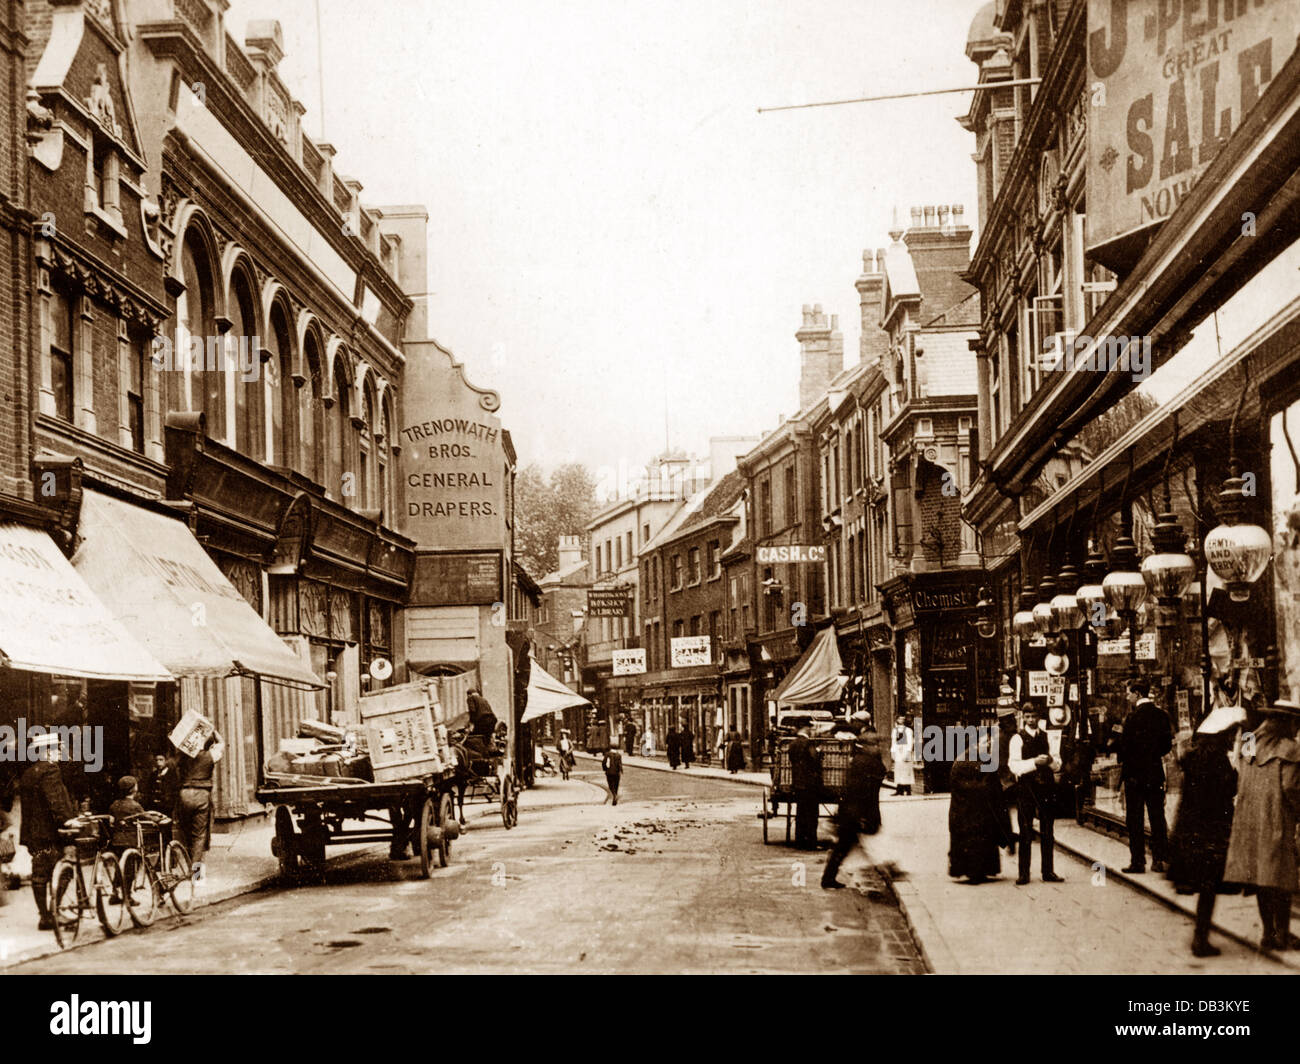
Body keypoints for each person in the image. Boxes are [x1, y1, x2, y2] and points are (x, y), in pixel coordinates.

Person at [1167, 704, 1246, 957]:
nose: (1234, 738)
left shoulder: (1195, 755)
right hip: (1210, 830)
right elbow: (1226, 791)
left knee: (1205, 885)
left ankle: (1200, 936)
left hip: (1191, 829)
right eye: (1231, 733)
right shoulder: (1216, 760)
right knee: (1209, 885)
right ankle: (1200, 939)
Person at [1223, 698, 1300, 952]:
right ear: (1287, 723)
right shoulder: (1289, 749)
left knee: (1261, 878)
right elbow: (1291, 788)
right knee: (1281, 878)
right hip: (1277, 820)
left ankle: (1268, 933)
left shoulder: (1249, 744)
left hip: (1250, 821)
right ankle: (1282, 935)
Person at [19, 732, 77, 930]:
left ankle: (45, 916)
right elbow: (56, 801)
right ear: (47, 751)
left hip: (33, 834)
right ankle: (54, 911)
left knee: (39, 875)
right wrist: (69, 821)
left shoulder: (29, 773)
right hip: (50, 833)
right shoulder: (51, 770)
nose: (60, 752)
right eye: (57, 748)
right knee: (65, 871)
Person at [1119, 678, 1173, 874]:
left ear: (1138, 694)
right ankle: (1159, 859)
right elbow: (1166, 745)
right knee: (1157, 817)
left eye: (1129, 693)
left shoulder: (1131, 718)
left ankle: (1138, 861)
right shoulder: (1162, 715)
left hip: (1134, 775)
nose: (1127, 696)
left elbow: (1124, 748)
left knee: (1135, 820)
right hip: (1154, 773)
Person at [822, 730, 886, 888]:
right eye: (875, 744)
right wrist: (863, 816)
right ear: (867, 746)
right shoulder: (866, 762)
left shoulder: (860, 760)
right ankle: (828, 879)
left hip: (851, 811)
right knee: (843, 846)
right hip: (854, 812)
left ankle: (829, 877)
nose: (878, 747)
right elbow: (868, 787)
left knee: (845, 846)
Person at [1009, 704, 1064, 885]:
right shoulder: (1017, 739)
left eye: (1033, 716)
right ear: (1023, 717)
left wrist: (1050, 761)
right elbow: (1014, 766)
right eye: (1027, 717)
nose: (1031, 720)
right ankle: (1024, 873)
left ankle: (1048, 871)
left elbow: (1058, 763)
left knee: (1048, 830)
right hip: (1027, 788)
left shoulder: (1048, 737)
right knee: (1025, 830)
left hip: (1046, 787)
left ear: (1038, 717)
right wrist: (1034, 762)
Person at [947, 732, 1003, 884]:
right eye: (986, 743)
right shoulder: (963, 762)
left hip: (979, 812)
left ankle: (981, 871)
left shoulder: (984, 760)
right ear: (975, 745)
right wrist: (986, 786)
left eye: (989, 743)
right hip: (965, 813)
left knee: (981, 841)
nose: (989, 746)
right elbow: (966, 786)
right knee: (972, 841)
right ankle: (973, 872)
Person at [174, 727, 225, 876]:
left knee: (186, 833)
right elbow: (221, 742)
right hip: (201, 795)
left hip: (184, 794)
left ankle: (189, 865)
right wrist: (213, 729)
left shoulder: (182, 755)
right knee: (199, 835)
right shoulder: (210, 755)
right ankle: (196, 874)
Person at [789, 722, 822, 850]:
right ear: (805, 728)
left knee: (801, 812)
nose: (811, 730)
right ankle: (811, 842)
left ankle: (799, 840)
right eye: (810, 727)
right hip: (810, 783)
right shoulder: (808, 743)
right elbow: (814, 759)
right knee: (812, 813)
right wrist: (819, 753)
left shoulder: (793, 744)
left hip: (798, 782)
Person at [995, 701, 1019, 855]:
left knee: (1006, 812)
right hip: (1009, 778)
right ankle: (1011, 838)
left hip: (1006, 778)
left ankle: (1010, 838)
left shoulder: (1002, 736)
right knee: (1010, 811)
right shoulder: (1007, 737)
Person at [890, 718, 915, 796]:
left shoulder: (908, 731)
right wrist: (893, 752)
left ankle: (908, 790)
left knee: (907, 771)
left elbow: (910, 742)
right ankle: (899, 789)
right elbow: (893, 742)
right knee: (899, 771)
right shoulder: (895, 731)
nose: (901, 721)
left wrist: (908, 752)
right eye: (899, 719)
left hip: (905, 751)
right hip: (898, 752)